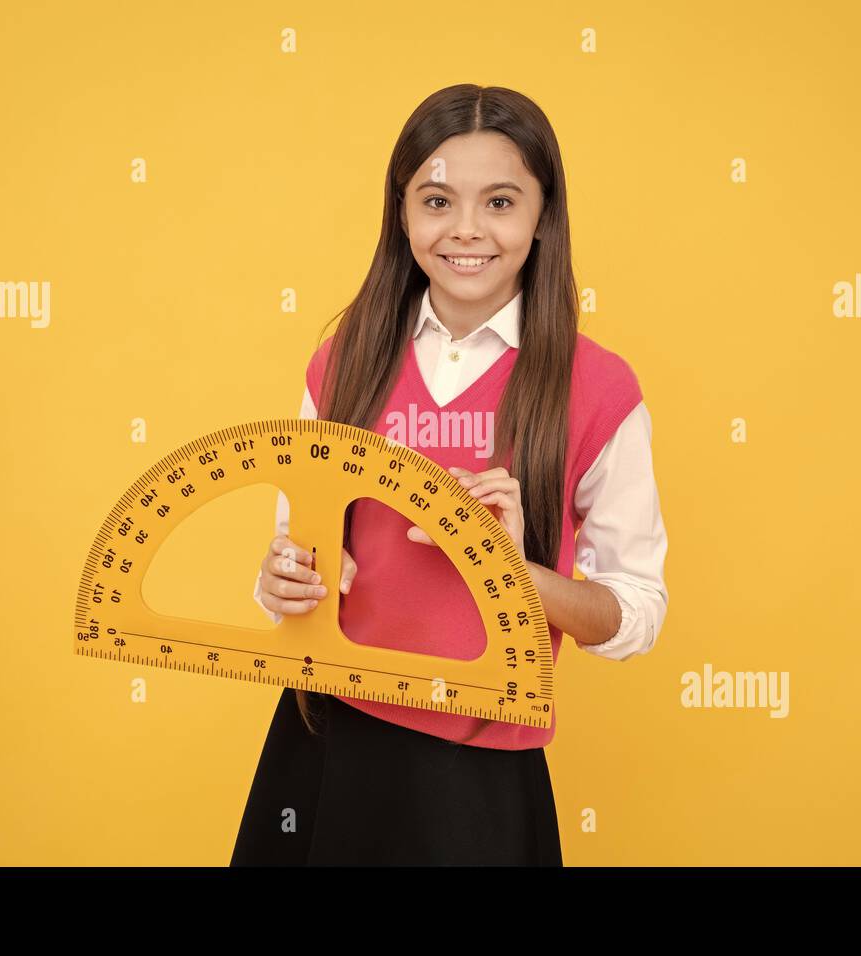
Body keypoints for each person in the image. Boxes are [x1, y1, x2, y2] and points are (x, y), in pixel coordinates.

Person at [230, 84, 669, 866]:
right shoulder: (341, 363)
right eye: (437, 200)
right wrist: (285, 580)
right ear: (402, 214)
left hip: (479, 771)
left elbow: (630, 614)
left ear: (544, 217)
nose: (466, 230)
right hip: (325, 742)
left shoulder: (598, 389)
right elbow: (291, 562)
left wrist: (514, 572)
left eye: (500, 201)